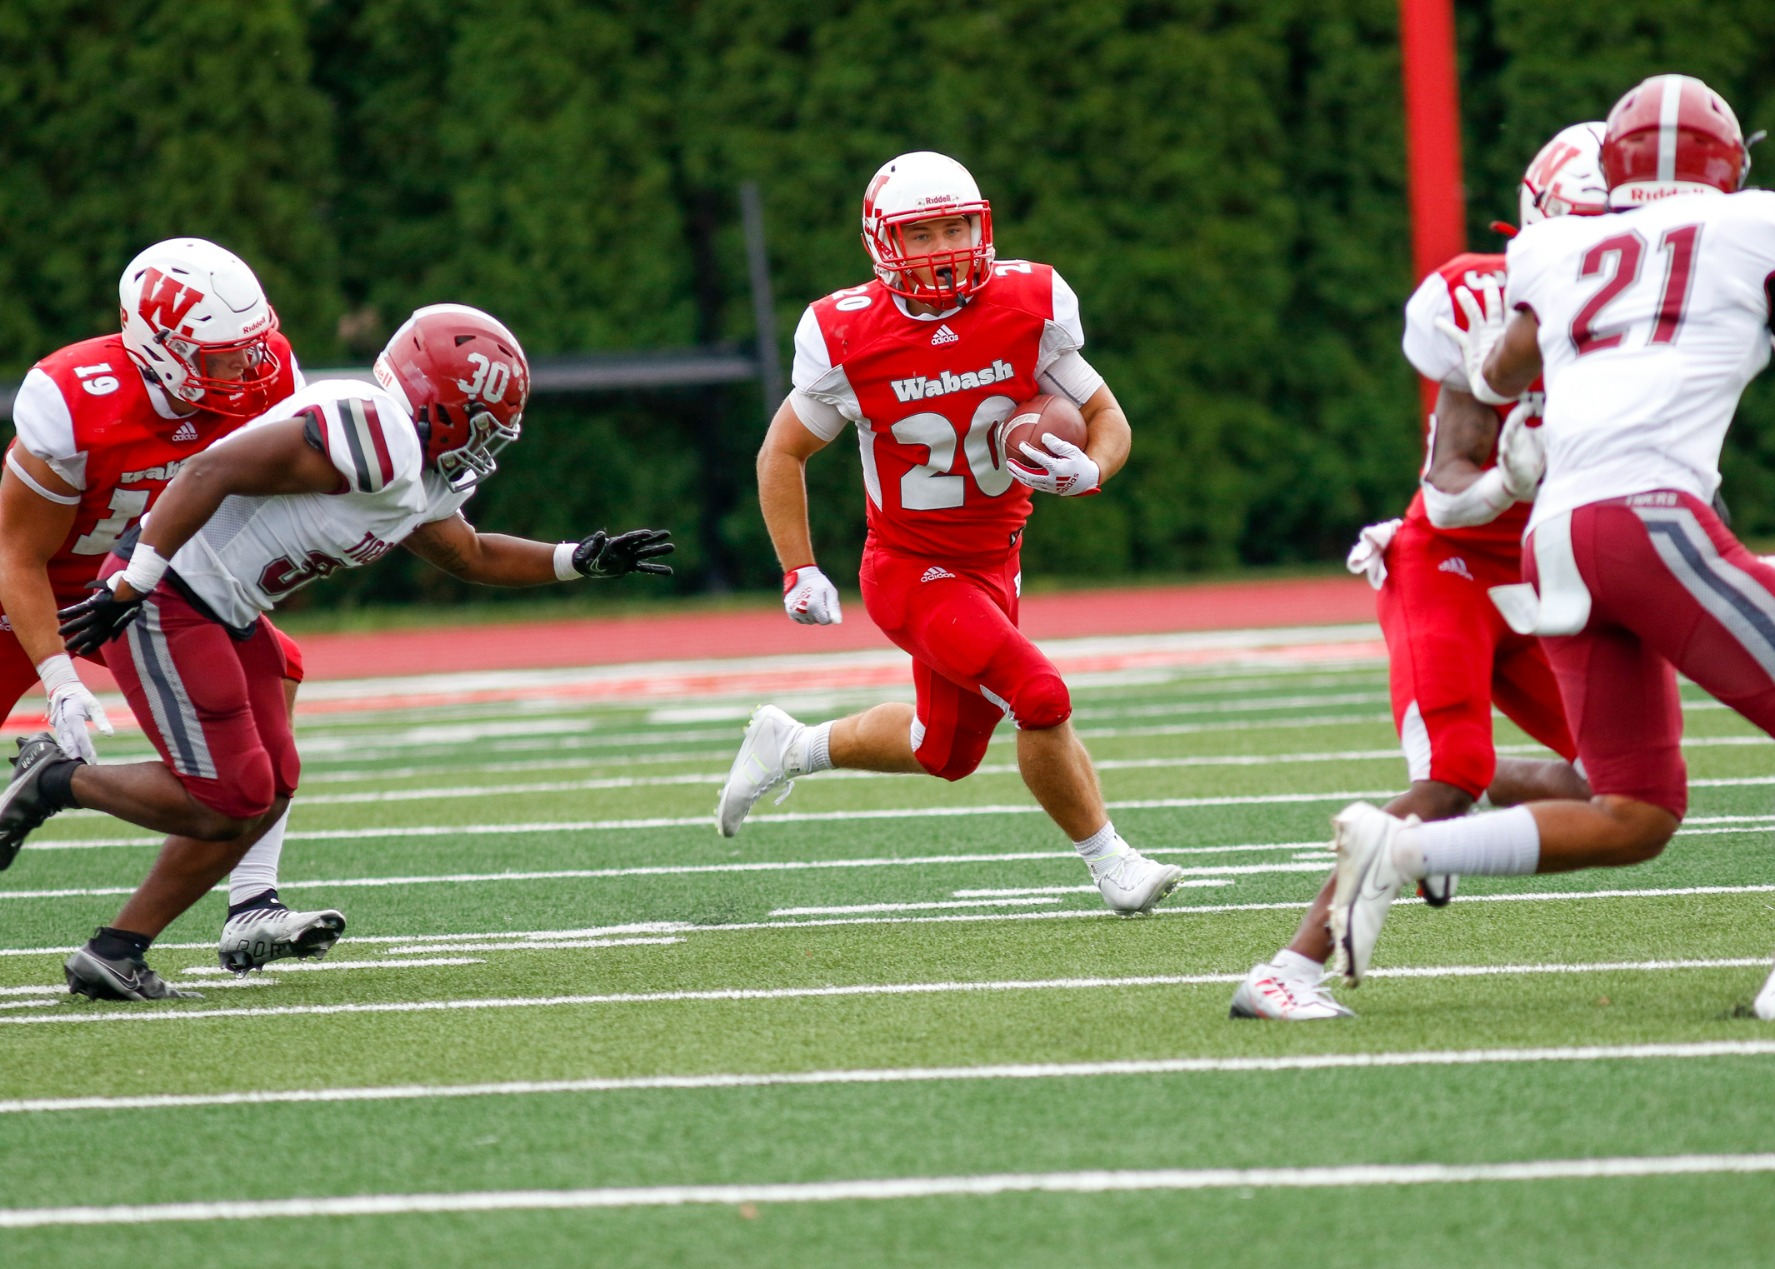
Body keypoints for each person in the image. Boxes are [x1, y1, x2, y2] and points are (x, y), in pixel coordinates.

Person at [1325, 74, 1775, 1019]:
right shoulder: (1758, 227)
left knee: (1636, 810)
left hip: (1558, 535)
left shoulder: (1558, 248)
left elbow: (1494, 370)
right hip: (1649, 516)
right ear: (1728, 164)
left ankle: (1404, 847)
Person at [0, 303, 675, 1001]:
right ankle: (56, 779)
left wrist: (578, 559)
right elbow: (206, 471)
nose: (490, 439)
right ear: (435, 398)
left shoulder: (417, 469)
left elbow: (467, 552)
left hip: (222, 609)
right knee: (230, 797)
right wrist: (134, 579)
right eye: (480, 419)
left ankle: (117, 950)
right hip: (167, 594)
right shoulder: (373, 428)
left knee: (273, 780)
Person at [715, 151, 1182, 914]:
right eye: (924, 233)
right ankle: (1113, 863)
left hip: (997, 562)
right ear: (884, 243)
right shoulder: (850, 332)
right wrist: (798, 567)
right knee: (1040, 695)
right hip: (910, 568)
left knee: (947, 752)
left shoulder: (1027, 306)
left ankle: (791, 745)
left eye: (958, 226)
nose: (946, 248)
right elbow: (783, 451)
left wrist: (1091, 471)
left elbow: (1108, 418)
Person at [1230, 125, 1610, 1020]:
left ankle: (1444, 818)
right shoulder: (1483, 300)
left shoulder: (1652, 309)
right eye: (1589, 229)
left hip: (1549, 568)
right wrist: (1511, 477)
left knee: (1615, 784)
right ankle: (1286, 970)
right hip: (1449, 561)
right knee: (1447, 773)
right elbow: (1443, 497)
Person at [0, 237, 327, 972]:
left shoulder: (266, 374)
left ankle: (252, 902)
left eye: (252, 346)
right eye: (221, 358)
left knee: (276, 676)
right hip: (46, 584)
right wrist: (61, 681)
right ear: (160, 348)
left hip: (153, 587)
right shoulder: (74, 397)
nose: (248, 369)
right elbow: (17, 556)